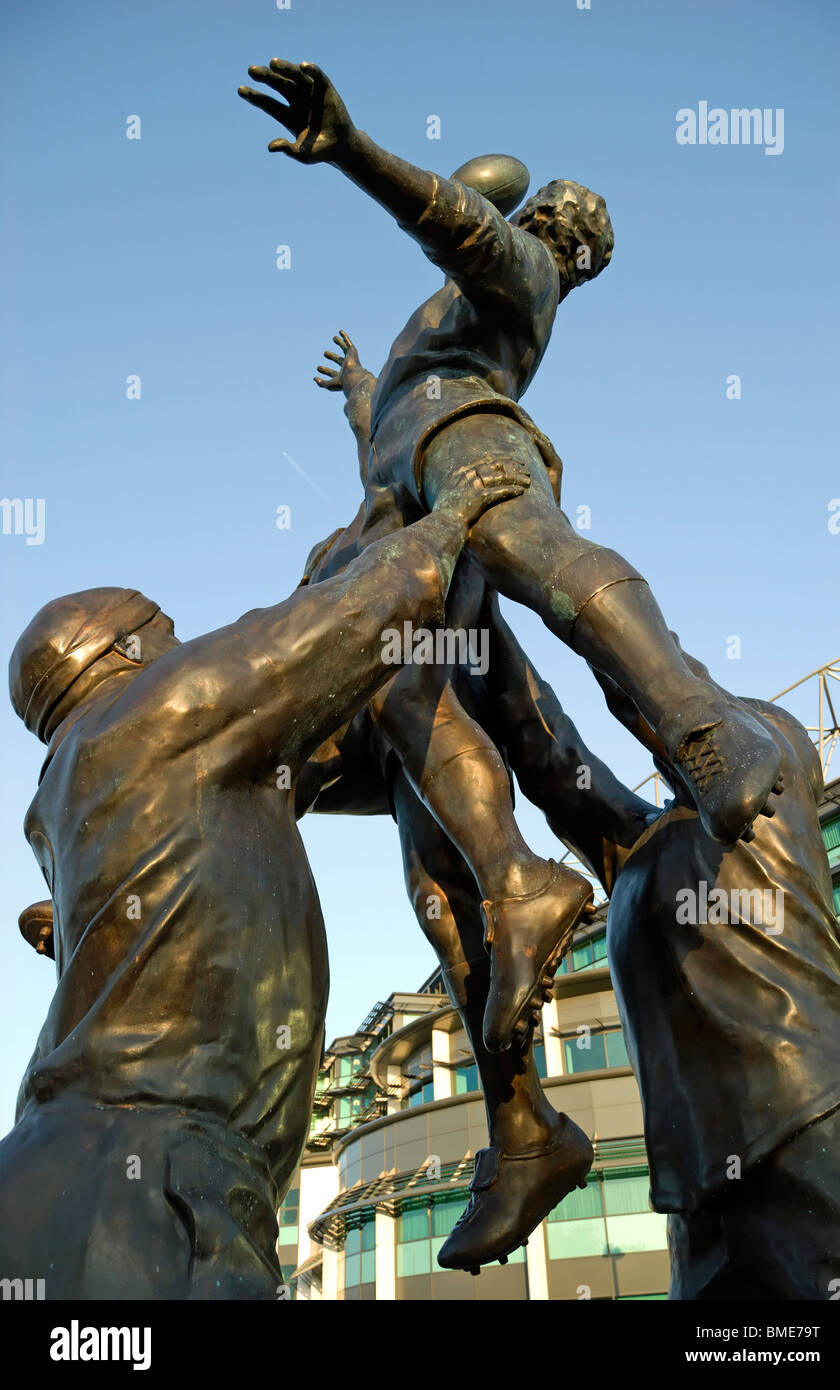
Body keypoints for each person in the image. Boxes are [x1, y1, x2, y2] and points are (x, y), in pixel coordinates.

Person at [238, 58, 783, 872]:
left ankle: (701, 721)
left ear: (557, 237)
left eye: (547, 217)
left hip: (466, 436)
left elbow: (460, 225)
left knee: (532, 551)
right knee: (480, 696)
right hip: (406, 499)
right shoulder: (464, 309)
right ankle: (602, 842)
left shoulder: (526, 270)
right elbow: (384, 424)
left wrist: (354, 149)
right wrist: (359, 389)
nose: (533, 219)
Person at [0, 459, 527, 1299]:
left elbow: (301, 754)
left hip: (55, 1170)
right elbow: (356, 616)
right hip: (152, 1181)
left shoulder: (70, 798)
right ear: (119, 650)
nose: (183, 647)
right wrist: (453, 513)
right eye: (166, 635)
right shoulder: (158, 707)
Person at [490, 632, 840, 1300]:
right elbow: (543, 751)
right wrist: (471, 617)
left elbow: (633, 676)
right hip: (703, 1190)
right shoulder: (643, 854)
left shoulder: (767, 786)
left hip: (816, 1129)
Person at [309, 324, 593, 1054]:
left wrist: (360, 390)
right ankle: (522, 1123)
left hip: (429, 621)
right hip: (381, 705)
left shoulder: (411, 489)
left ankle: (520, 880)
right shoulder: (340, 548)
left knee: (410, 694)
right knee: (431, 891)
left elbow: (380, 429)